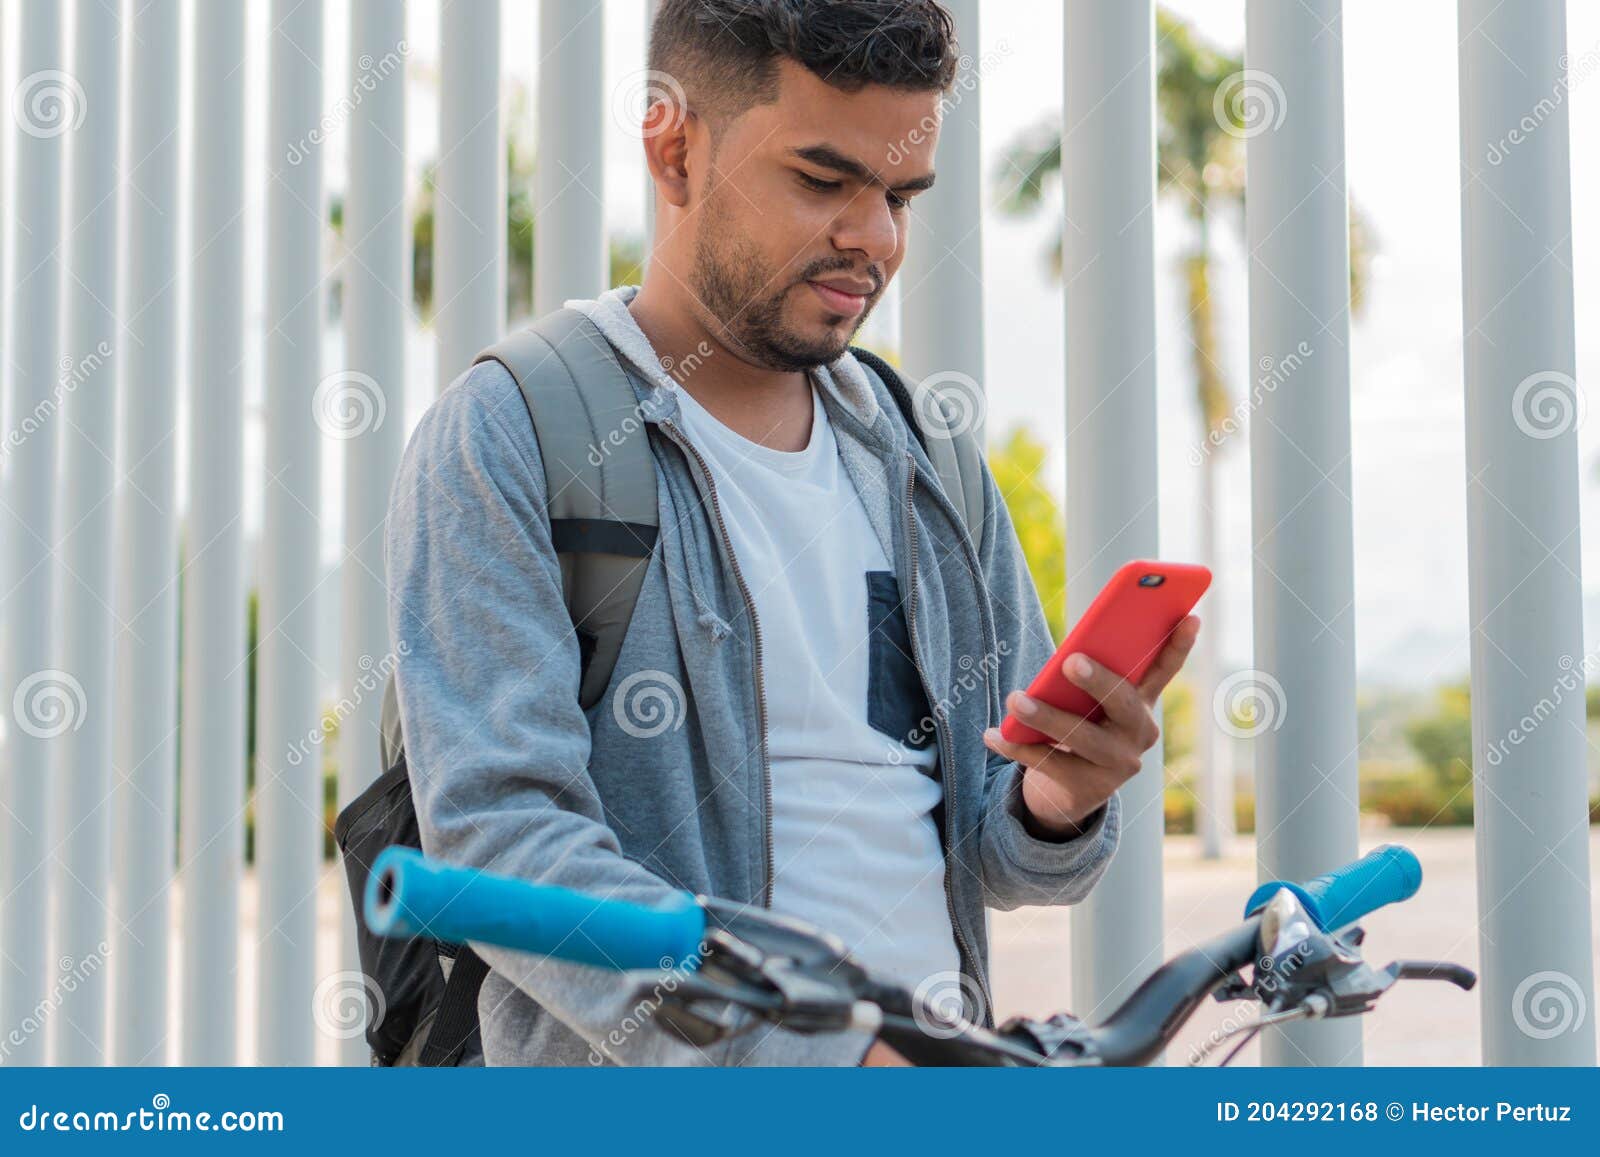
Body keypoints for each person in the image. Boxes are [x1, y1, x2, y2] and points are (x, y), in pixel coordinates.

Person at [385, 0, 1199, 1066]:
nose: (875, 238)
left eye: (900, 195)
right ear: (673, 147)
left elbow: (999, 853)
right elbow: (503, 844)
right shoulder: (513, 431)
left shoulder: (927, 460)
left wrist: (1058, 797)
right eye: (822, 182)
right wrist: (825, 1062)